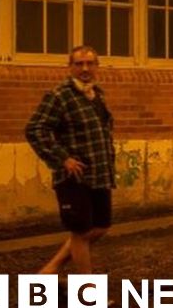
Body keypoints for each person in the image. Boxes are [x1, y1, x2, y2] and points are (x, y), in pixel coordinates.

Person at [26, 45, 116, 275]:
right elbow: (35, 130)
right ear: (70, 67)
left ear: (97, 66)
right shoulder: (59, 96)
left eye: (89, 64)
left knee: (100, 227)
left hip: (98, 174)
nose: (85, 69)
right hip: (73, 176)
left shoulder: (97, 94)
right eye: (79, 64)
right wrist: (62, 158)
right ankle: (88, 290)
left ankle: (49, 270)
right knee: (81, 232)